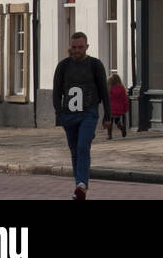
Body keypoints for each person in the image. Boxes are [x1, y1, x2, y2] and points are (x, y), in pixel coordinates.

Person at [52, 33, 112, 200]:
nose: (77, 50)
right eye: (74, 47)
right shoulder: (63, 66)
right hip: (69, 115)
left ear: (86, 47)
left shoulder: (95, 65)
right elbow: (56, 92)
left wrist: (108, 115)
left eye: (80, 47)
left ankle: (81, 185)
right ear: (70, 47)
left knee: (83, 147)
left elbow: (104, 92)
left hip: (88, 113)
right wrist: (60, 115)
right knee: (74, 151)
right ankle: (79, 186)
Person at [106, 71, 129, 139]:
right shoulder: (122, 88)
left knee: (110, 121)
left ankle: (109, 135)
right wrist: (125, 108)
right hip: (119, 107)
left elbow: (107, 98)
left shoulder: (109, 88)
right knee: (117, 120)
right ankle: (121, 127)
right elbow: (124, 99)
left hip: (111, 107)